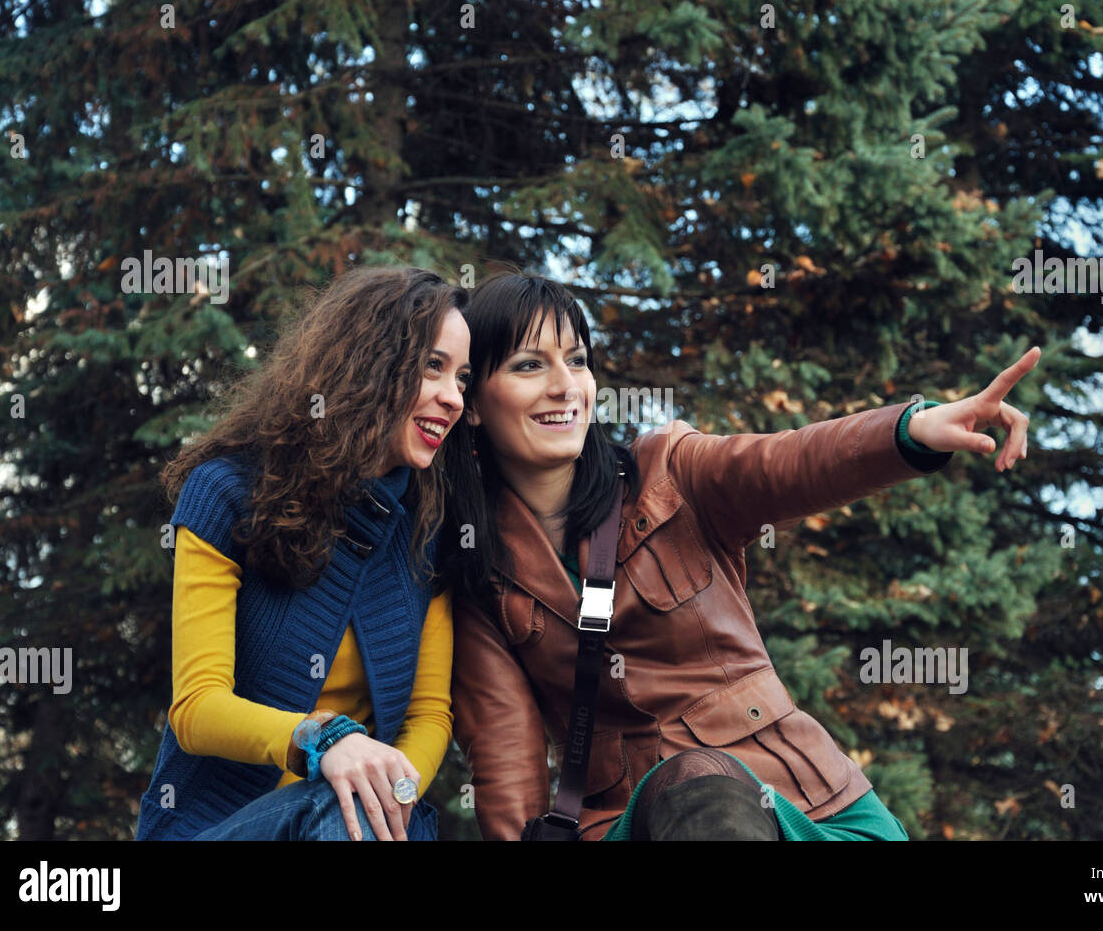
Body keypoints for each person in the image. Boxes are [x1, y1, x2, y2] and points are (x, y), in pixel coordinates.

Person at [443, 271, 1038, 840]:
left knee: (703, 784)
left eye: (576, 360)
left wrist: (913, 431)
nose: (565, 386)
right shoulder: (478, 573)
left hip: (804, 800)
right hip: (628, 821)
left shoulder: (668, 471)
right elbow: (506, 758)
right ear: (472, 404)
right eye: (528, 365)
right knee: (692, 785)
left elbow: (790, 463)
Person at [136, 267, 471, 841]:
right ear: (368, 363)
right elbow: (196, 708)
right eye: (432, 367)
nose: (454, 397)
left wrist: (396, 792)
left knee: (355, 816)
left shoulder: (429, 530)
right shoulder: (227, 493)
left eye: (463, 378)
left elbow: (428, 715)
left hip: (364, 824)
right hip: (209, 829)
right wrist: (324, 741)